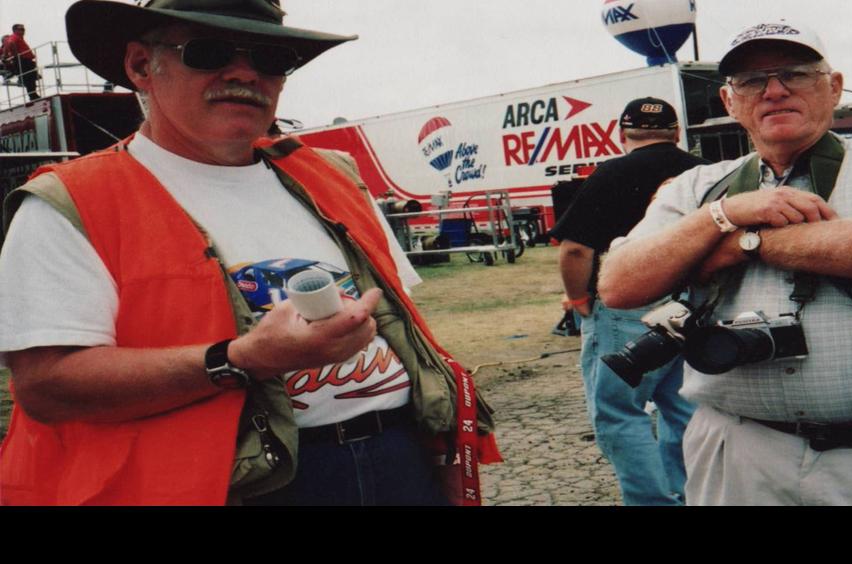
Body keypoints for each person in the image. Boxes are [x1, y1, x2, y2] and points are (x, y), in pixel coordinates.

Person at [0, 0, 500, 506]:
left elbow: (404, 335)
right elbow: (47, 385)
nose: (244, 72)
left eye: (270, 56)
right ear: (140, 66)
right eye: (208, 51)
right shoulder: (70, 203)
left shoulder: (334, 176)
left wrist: (444, 458)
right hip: (225, 485)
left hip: (399, 462)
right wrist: (241, 359)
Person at [597, 21, 852, 506]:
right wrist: (725, 214)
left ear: (833, 87)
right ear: (730, 102)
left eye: (794, 73)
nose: (774, 91)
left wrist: (741, 245)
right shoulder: (700, 187)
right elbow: (619, 284)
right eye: (752, 81)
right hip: (734, 450)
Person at [552, 97, 705, 506]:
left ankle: (651, 501)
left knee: (620, 413)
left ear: (623, 135)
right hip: (693, 304)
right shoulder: (702, 173)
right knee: (682, 404)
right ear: (676, 132)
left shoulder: (610, 173)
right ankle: (695, 494)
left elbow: (574, 250)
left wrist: (578, 298)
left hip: (627, 306)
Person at [1, 23, 39, 101]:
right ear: (15, 30)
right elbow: (10, 44)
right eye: (20, 29)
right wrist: (15, 55)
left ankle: (33, 95)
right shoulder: (14, 37)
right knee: (29, 79)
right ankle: (33, 96)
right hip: (24, 60)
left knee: (31, 78)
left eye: (23, 29)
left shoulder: (18, 38)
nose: (23, 31)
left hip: (26, 60)